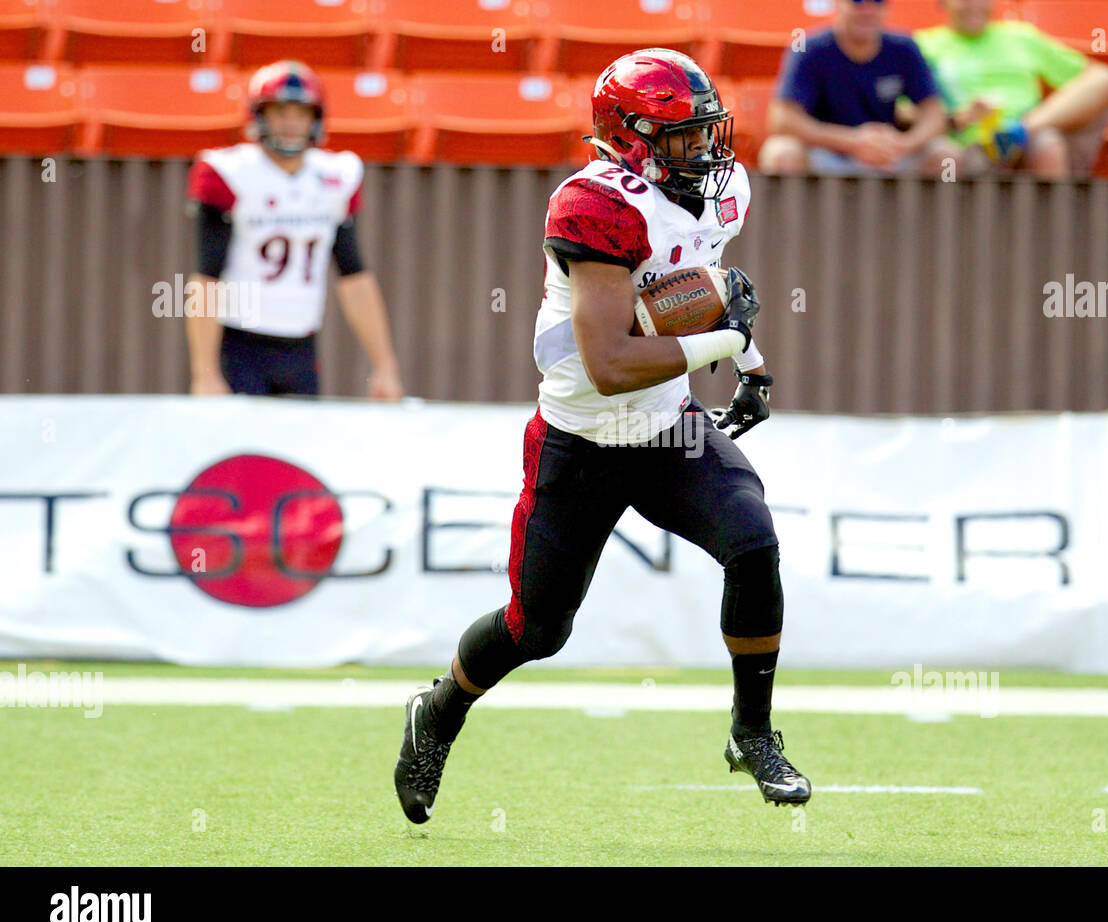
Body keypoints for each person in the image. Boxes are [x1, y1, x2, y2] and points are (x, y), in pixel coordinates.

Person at [394, 48, 811, 823]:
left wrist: (750, 364)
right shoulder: (595, 205)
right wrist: (727, 345)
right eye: (683, 137)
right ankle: (440, 712)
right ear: (632, 136)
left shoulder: (719, 195)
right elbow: (614, 363)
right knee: (537, 628)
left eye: (705, 133)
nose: (706, 152)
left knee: (753, 543)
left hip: (665, 431)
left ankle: (753, 732)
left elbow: (704, 288)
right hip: (584, 436)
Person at [185, 60, 403, 399]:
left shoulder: (335, 177)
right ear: (260, 116)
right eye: (280, 112)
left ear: (314, 120)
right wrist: (205, 372)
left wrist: (385, 366)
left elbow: (354, 277)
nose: (290, 123)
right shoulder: (229, 172)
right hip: (241, 345)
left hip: (301, 347)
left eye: (300, 114)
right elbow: (207, 277)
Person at [914, 0, 1108, 178]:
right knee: (943, 156)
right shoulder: (921, 45)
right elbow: (904, 110)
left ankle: (1020, 131)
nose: (975, 5)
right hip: (963, 142)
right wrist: (958, 118)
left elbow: (1093, 75)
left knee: (1049, 143)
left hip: (1028, 138)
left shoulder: (1021, 37)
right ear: (943, 3)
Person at [760, 0, 960, 175]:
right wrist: (852, 142)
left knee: (947, 156)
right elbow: (782, 119)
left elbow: (934, 113)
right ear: (838, 4)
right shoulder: (810, 48)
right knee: (781, 153)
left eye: (877, 1)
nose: (867, 9)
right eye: (857, 1)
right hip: (827, 156)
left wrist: (903, 145)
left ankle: (929, 219)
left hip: (891, 157)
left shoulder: (904, 47)